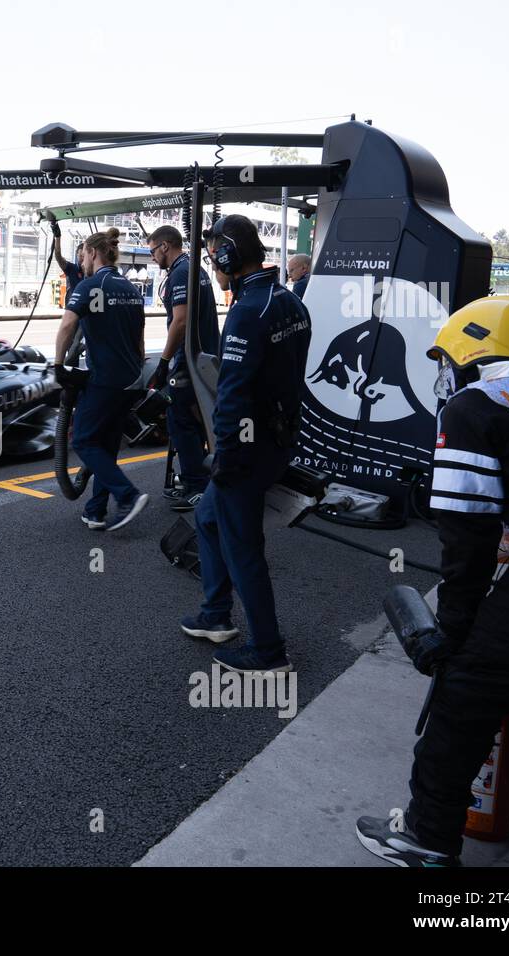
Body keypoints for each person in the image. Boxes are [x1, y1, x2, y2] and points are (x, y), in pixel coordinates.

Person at [356, 296, 509, 867]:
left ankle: (427, 837)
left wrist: (455, 629)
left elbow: (467, 532)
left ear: (474, 352)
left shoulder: (479, 403)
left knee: (465, 694)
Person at [181, 214, 311, 673]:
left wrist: (226, 455)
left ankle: (268, 651)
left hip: (247, 451)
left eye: (215, 258)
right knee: (206, 516)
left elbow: (232, 395)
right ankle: (216, 615)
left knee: (243, 547)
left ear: (229, 256)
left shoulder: (247, 311)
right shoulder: (290, 302)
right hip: (278, 438)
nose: (214, 268)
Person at [54, 228, 150, 533]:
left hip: (105, 378)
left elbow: (68, 323)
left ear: (92, 252)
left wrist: (58, 365)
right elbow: (139, 339)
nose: (80, 260)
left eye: (82, 254)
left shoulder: (91, 285)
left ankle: (127, 495)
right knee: (106, 445)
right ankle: (95, 511)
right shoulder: (132, 289)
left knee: (82, 438)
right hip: (131, 378)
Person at [149, 224, 219, 512]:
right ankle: (203, 479)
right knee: (198, 422)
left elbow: (180, 321)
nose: (152, 257)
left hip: (190, 360)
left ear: (165, 246)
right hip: (203, 359)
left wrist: (163, 364)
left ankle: (196, 487)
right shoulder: (194, 269)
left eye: (153, 250)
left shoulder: (180, 272)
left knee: (181, 424)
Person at [51, 223, 84, 307]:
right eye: (81, 255)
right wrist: (58, 237)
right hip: (73, 309)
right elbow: (58, 256)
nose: (83, 258)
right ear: (76, 255)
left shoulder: (95, 271)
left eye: (85, 256)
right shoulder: (72, 268)